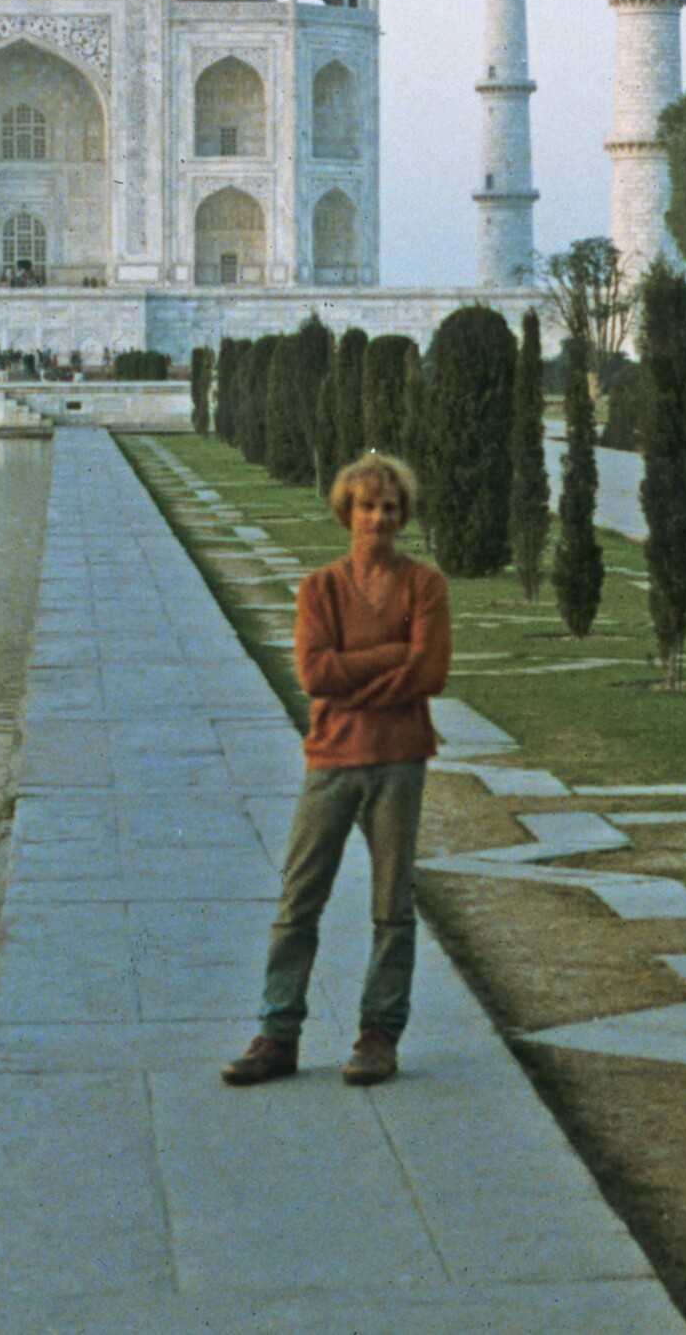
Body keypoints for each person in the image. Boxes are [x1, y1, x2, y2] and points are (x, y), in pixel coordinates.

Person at [222, 453, 451, 1088]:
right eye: (367, 506)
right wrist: (393, 659)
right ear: (346, 512)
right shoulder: (320, 589)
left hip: (399, 761)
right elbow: (315, 675)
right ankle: (278, 1033)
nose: (378, 517)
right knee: (299, 900)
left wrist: (359, 676)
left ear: (401, 516)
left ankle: (378, 1036)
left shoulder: (424, 585)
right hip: (332, 760)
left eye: (389, 508)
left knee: (392, 905)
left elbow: (429, 672)